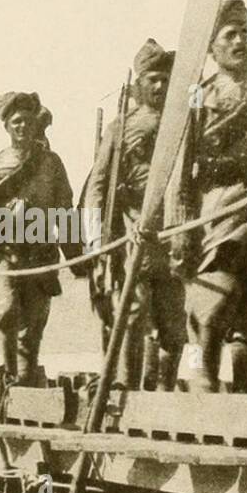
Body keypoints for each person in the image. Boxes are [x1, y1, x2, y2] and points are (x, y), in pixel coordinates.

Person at [174, 1, 247, 393]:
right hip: (216, 213)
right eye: (230, 34)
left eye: (244, 31)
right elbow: (180, 169)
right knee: (211, 304)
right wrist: (181, 228)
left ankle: (243, 397)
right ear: (211, 47)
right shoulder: (197, 99)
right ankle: (198, 384)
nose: (239, 40)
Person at [83, 38, 186, 390]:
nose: (159, 86)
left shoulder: (184, 124)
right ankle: (125, 387)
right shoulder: (120, 129)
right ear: (139, 83)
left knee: (174, 324)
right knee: (133, 312)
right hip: (133, 235)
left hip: (172, 236)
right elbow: (97, 187)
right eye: (152, 79)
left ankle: (165, 393)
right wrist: (96, 239)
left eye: (164, 79)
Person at [0, 91, 82, 386]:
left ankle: (23, 378)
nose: (22, 127)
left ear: (36, 124)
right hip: (4, 252)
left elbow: (65, 208)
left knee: (35, 323)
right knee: (7, 310)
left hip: (41, 253)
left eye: (27, 121)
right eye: (16, 122)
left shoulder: (52, 163)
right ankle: (7, 369)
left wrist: (74, 255)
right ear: (7, 127)